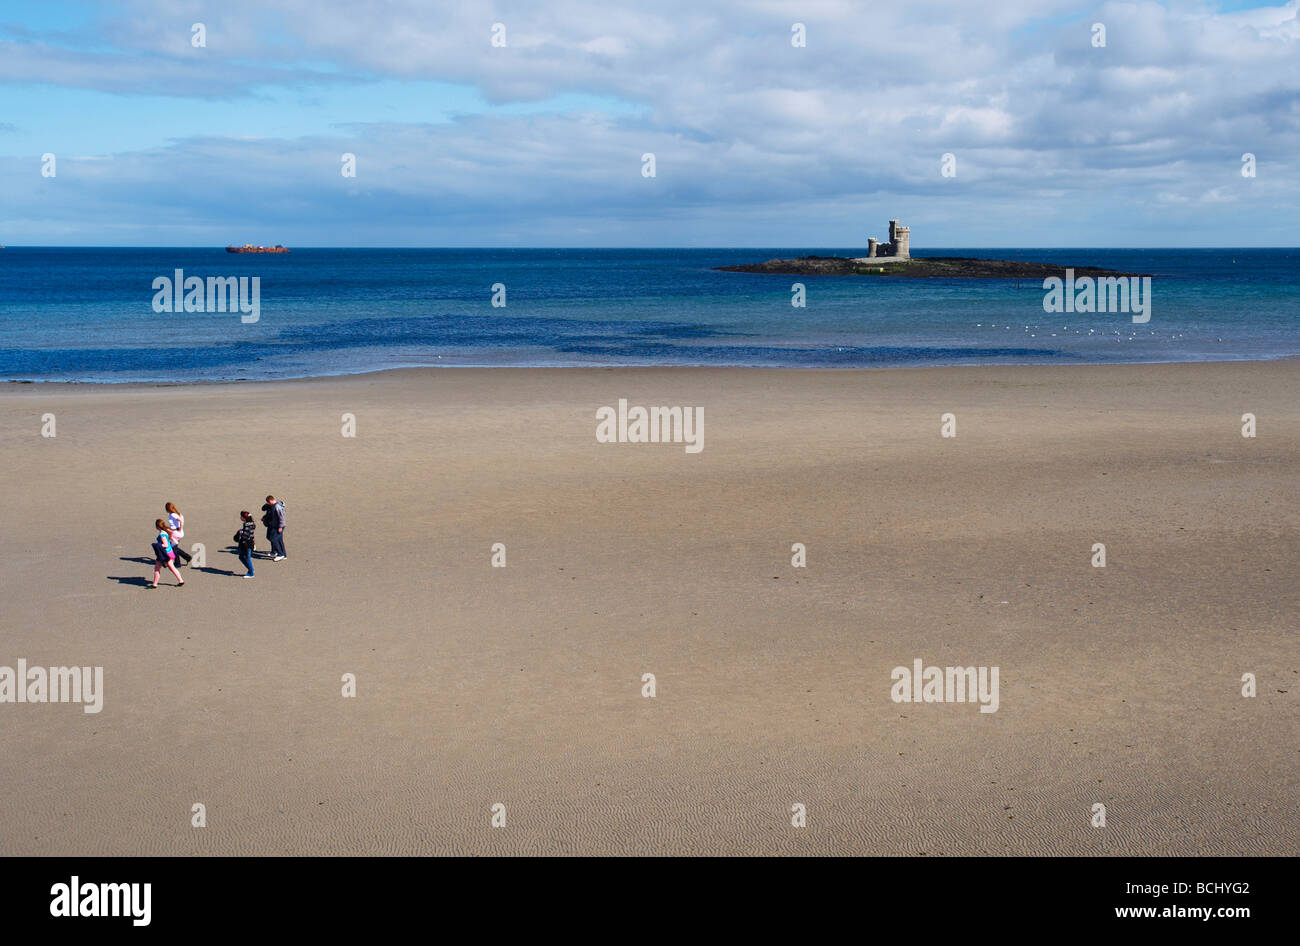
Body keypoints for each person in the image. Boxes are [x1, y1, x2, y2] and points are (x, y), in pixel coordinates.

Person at [151, 519, 185, 588]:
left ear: (157, 526)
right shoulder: (165, 532)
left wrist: (157, 545)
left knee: (157, 568)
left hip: (164, 554)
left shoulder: (162, 534)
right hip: (169, 552)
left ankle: (154, 584)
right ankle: (181, 581)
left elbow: (165, 544)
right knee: (172, 568)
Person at [165, 502, 192, 566]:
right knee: (174, 547)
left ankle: (178, 563)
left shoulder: (173, 514)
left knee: (173, 548)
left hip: (176, 533)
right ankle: (187, 558)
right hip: (178, 532)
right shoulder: (178, 513)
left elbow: (180, 520)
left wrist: (180, 528)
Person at [262, 494, 287, 561]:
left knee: (274, 539)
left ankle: (280, 554)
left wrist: (280, 527)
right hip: (273, 524)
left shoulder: (277, 507)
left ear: (270, 501)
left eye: (268, 502)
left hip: (277, 526)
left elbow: (282, 518)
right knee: (274, 538)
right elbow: (265, 510)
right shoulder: (272, 506)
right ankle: (276, 552)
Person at [233, 510, 257, 578]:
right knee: (241, 557)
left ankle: (251, 573)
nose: (240, 517)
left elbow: (245, 536)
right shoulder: (250, 523)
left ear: (244, 518)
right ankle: (251, 569)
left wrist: (240, 532)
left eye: (241, 516)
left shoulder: (247, 525)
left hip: (247, 544)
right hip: (249, 543)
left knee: (247, 557)